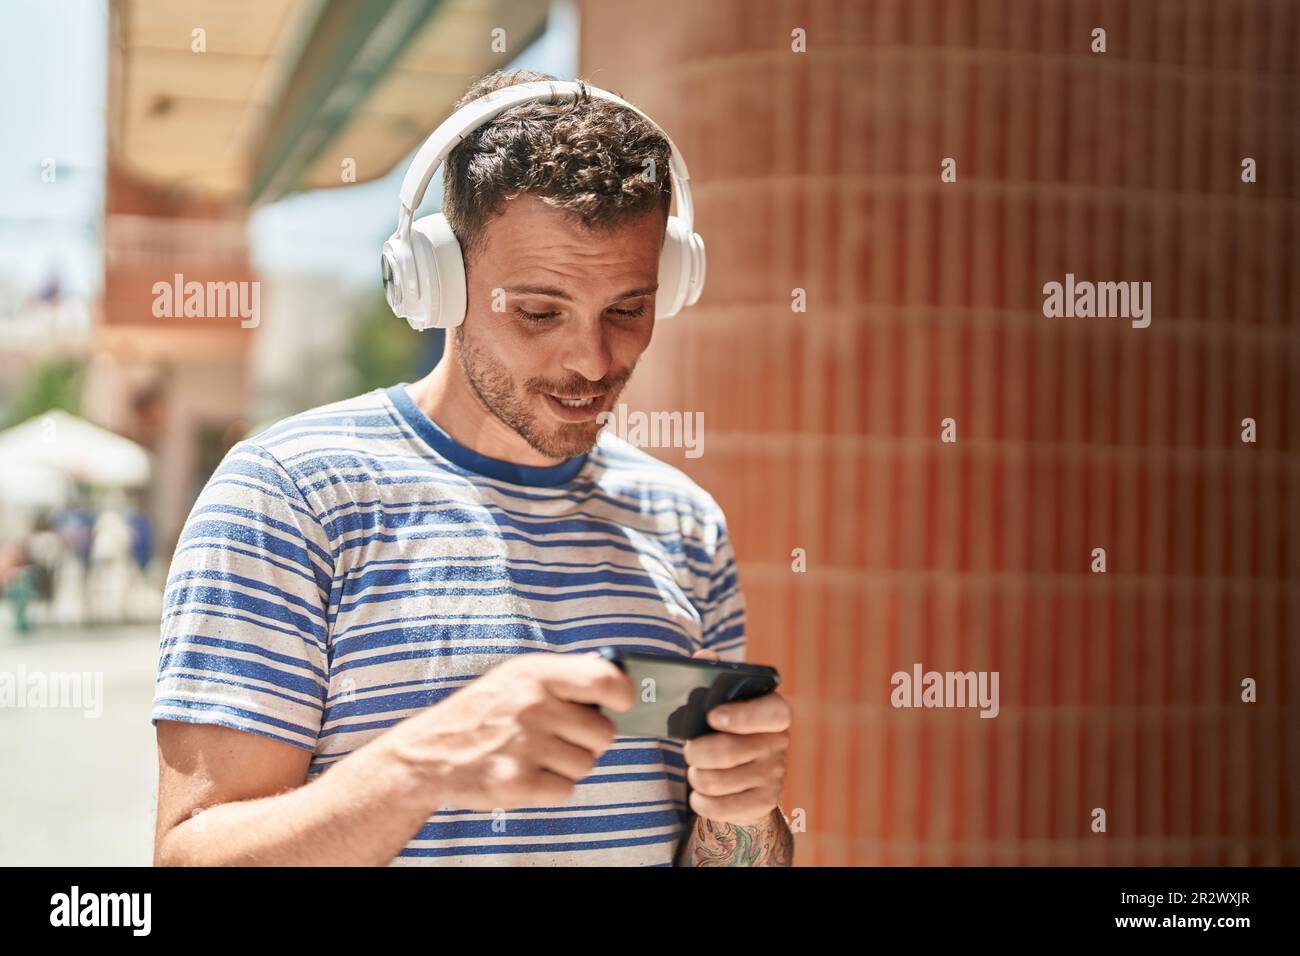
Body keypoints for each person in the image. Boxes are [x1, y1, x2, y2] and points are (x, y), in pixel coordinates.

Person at [150, 69, 793, 867]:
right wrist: (423, 764)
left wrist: (745, 821)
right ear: (437, 282)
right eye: (538, 312)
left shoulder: (685, 524)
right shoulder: (289, 499)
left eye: (628, 309)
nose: (591, 360)